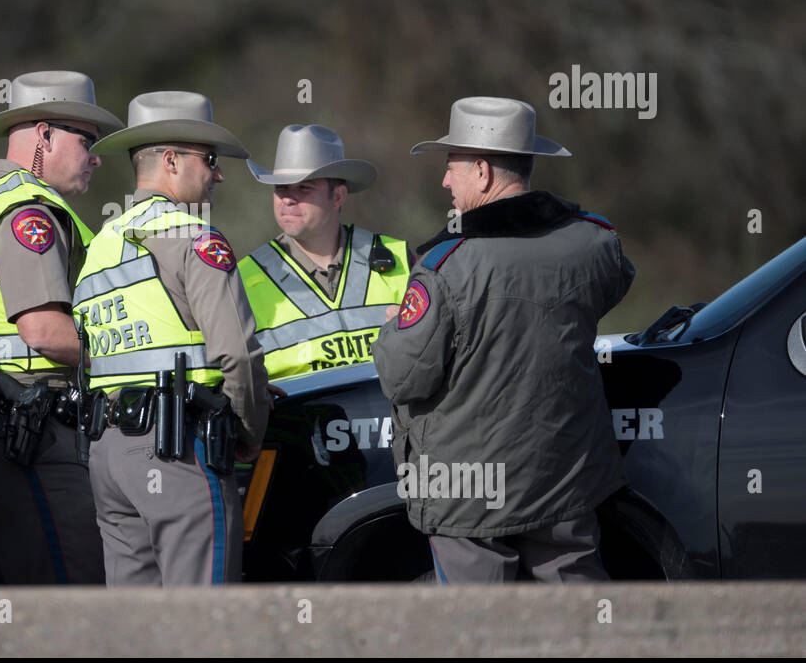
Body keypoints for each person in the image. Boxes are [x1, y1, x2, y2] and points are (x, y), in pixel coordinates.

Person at [370, 97, 635, 583]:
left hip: (471, 500)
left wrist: (393, 327)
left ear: (484, 172)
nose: (445, 181)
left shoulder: (445, 267)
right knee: (583, 621)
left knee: (480, 631)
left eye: (452, 168)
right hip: (566, 479)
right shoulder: (594, 242)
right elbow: (613, 286)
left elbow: (402, 376)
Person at [73, 90, 271, 585]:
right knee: (200, 621)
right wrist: (247, 431)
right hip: (178, 449)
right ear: (170, 160)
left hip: (109, 457)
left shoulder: (101, 245)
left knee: (138, 628)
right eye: (210, 159)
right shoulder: (194, 236)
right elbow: (238, 354)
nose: (218, 174)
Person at [0, 70, 122, 584]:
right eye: (85, 140)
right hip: (34, 434)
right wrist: (132, 360)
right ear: (43, 134)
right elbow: (44, 330)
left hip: (14, 427)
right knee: (70, 588)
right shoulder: (27, 211)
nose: (96, 156)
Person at [239, 124, 412, 381]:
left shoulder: (399, 259)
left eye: (304, 188)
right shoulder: (242, 278)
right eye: (281, 188)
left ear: (338, 196)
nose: (287, 199)